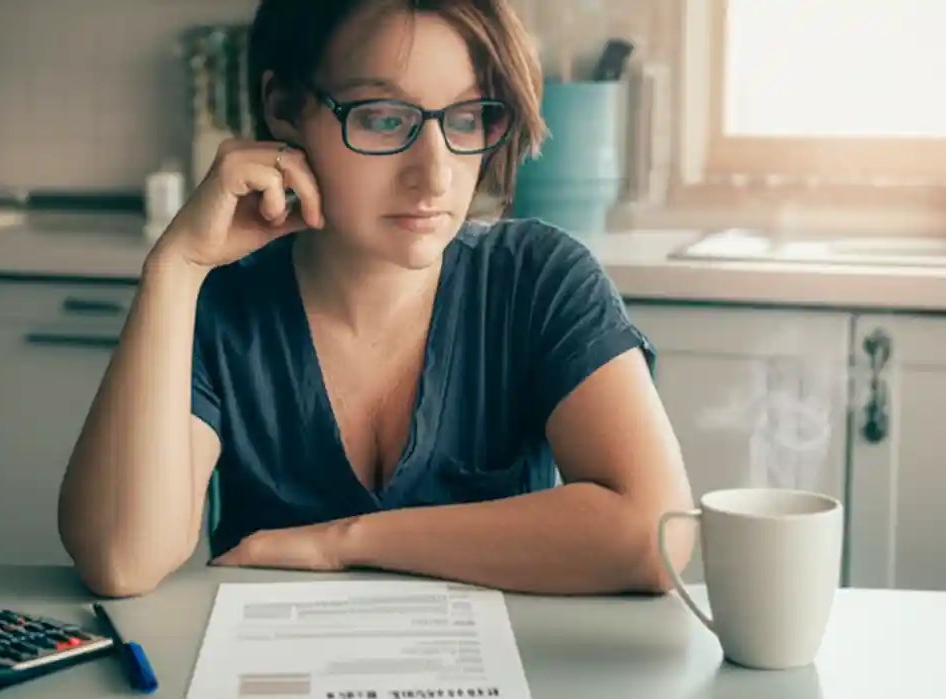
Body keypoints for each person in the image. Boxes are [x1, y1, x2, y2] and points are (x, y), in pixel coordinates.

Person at [58, 0, 694, 599]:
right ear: (284, 108)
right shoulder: (221, 300)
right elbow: (121, 559)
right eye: (384, 118)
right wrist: (174, 267)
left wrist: (346, 541)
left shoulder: (539, 280)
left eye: (465, 119)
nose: (435, 175)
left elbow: (655, 536)